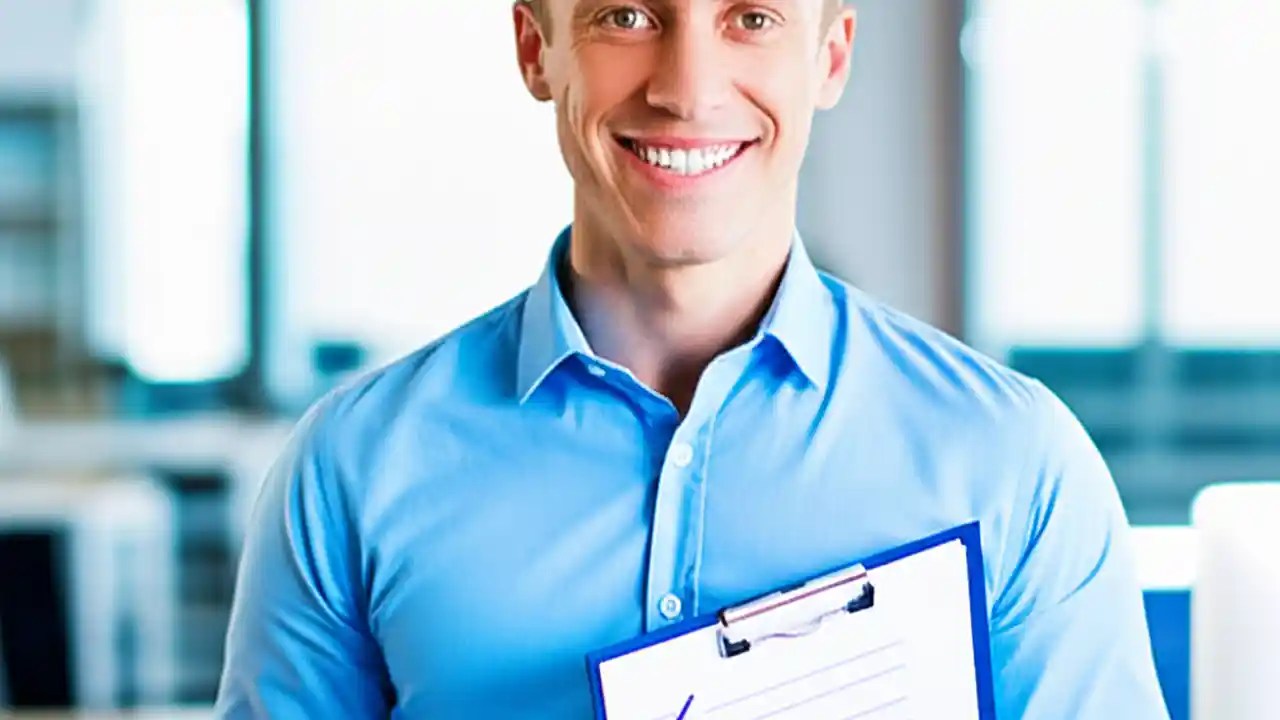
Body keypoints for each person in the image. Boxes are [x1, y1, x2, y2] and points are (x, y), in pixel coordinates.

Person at [215, 0, 1169, 717]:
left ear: (831, 54)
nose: (687, 88)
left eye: (750, 17)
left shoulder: (1013, 463)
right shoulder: (350, 471)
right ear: (535, 47)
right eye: (627, 15)